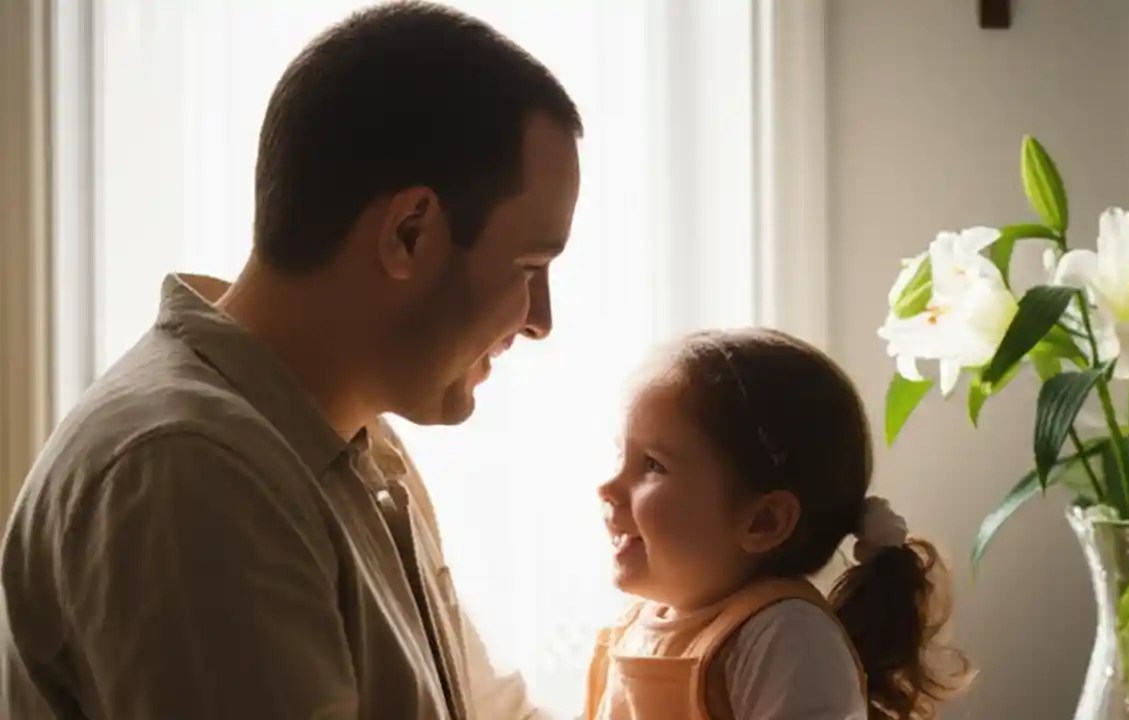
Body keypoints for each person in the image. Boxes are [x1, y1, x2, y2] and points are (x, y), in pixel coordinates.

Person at [1, 3, 580, 719]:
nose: (541, 322)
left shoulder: (345, 440)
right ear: (409, 232)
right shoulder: (191, 471)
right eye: (529, 265)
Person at [586, 329, 973, 720]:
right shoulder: (630, 629)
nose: (607, 487)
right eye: (622, 453)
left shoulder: (786, 636)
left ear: (762, 521)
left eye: (652, 465)